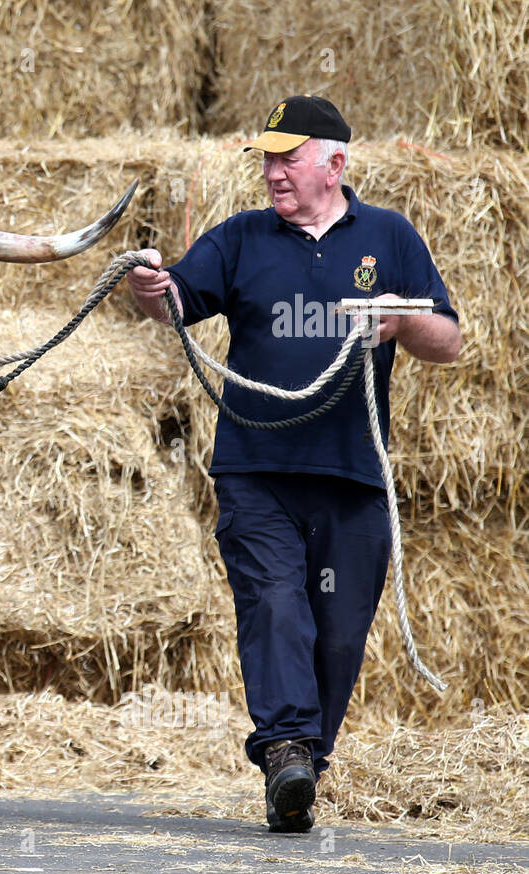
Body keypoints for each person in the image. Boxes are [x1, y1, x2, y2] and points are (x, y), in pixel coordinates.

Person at [126, 95, 460, 832]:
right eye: (268, 160)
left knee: (339, 631)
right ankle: (284, 752)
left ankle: (307, 762)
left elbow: (450, 342)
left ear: (334, 163)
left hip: (352, 475)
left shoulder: (389, 238)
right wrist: (151, 288)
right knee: (275, 605)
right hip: (256, 470)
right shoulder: (243, 238)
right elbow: (176, 299)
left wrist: (401, 322)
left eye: (288, 158)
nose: (273, 173)